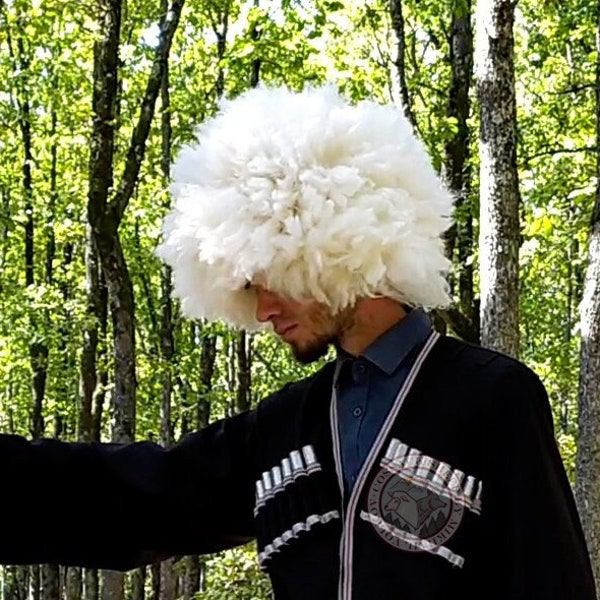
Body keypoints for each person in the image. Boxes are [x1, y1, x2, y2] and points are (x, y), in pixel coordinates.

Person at [0, 84, 596, 600]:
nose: (262, 311)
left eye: (271, 281)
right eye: (248, 288)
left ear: (332, 250)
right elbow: (137, 499)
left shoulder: (493, 397)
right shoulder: (283, 427)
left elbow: (552, 582)